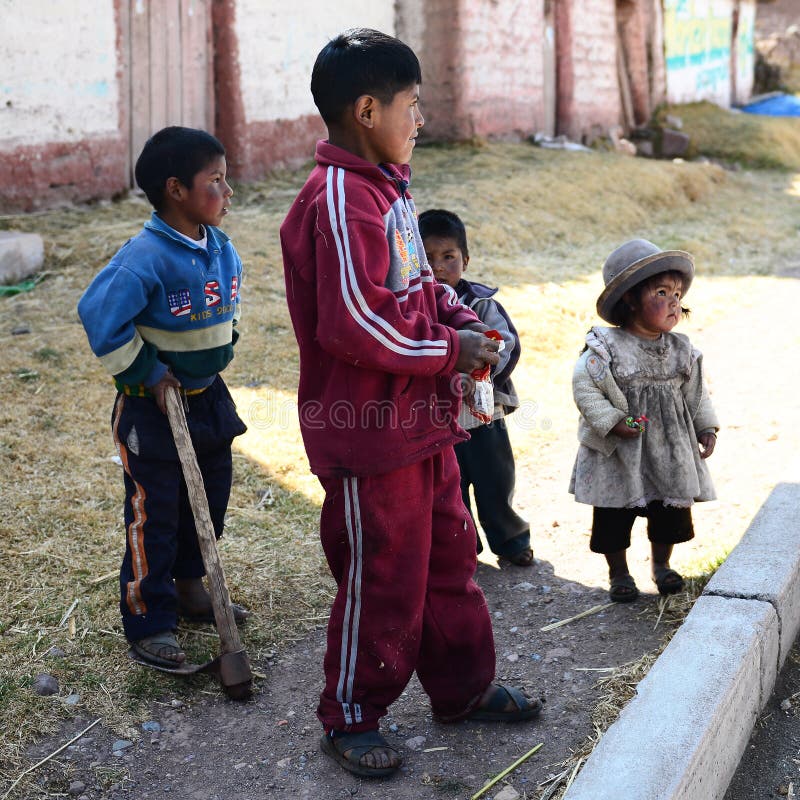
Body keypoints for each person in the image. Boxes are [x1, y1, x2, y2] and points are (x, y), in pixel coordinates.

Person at [280, 29, 541, 779]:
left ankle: (462, 688)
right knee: (383, 573)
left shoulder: (391, 188)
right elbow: (353, 322)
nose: (421, 119)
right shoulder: (334, 199)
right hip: (366, 432)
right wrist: (445, 352)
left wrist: (462, 320)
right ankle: (352, 714)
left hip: (421, 424)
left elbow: (417, 285)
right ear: (366, 110)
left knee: (452, 555)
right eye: (412, 105)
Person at [77, 126, 249, 669]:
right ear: (176, 190)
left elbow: (228, 306)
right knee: (157, 513)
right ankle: (150, 619)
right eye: (215, 181)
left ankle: (192, 586)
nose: (228, 191)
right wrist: (148, 372)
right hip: (156, 408)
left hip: (207, 399)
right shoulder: (144, 257)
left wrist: (223, 348)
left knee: (208, 495)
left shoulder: (219, 246)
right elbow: (99, 316)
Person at [569, 238, 718, 603]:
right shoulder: (606, 347)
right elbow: (585, 387)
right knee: (613, 514)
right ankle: (618, 572)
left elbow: (697, 393)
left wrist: (706, 426)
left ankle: (661, 565)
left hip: (669, 450)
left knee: (668, 511)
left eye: (678, 294)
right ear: (631, 300)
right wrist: (612, 420)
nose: (674, 302)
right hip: (621, 450)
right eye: (662, 292)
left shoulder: (683, 349)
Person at [419, 208, 533, 567]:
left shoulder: (481, 305)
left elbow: (506, 343)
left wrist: (480, 369)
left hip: (485, 416)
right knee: (451, 491)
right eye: (428, 258)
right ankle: (463, 549)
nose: (438, 267)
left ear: (465, 261)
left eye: (448, 257)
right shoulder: (414, 311)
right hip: (439, 422)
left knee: (496, 482)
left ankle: (512, 540)